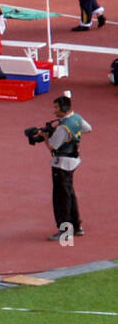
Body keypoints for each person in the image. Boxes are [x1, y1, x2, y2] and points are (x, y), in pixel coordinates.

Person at [43, 94, 91, 241]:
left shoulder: (63, 128)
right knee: (69, 193)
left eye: (56, 107)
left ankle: (64, 230)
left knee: (61, 197)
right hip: (73, 161)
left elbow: (52, 146)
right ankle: (77, 226)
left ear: (64, 108)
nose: (55, 111)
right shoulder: (76, 118)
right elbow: (87, 129)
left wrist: (45, 136)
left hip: (62, 164)